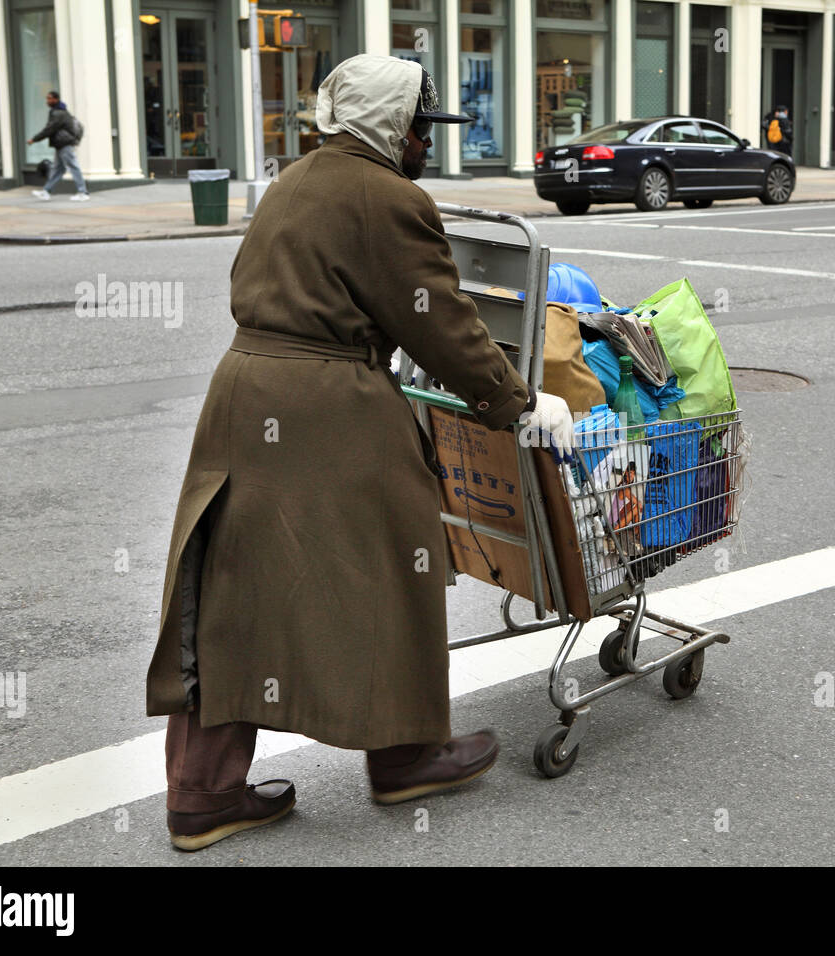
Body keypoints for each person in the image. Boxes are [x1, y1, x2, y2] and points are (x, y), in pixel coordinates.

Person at [145, 54, 575, 852]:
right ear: (391, 128)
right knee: (399, 551)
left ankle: (202, 793)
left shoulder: (295, 179)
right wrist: (518, 404)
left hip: (245, 393)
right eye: (419, 130)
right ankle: (408, 754)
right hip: (326, 404)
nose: (426, 146)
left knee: (232, 588)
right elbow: (441, 324)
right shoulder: (389, 196)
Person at [27, 91, 88, 201]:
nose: (47, 101)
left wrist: (34, 139)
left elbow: (49, 129)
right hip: (61, 144)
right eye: (47, 98)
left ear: (56, 99)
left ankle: (83, 192)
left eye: (49, 98)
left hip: (65, 144)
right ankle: (46, 191)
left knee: (73, 166)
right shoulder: (59, 111)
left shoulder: (58, 113)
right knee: (58, 169)